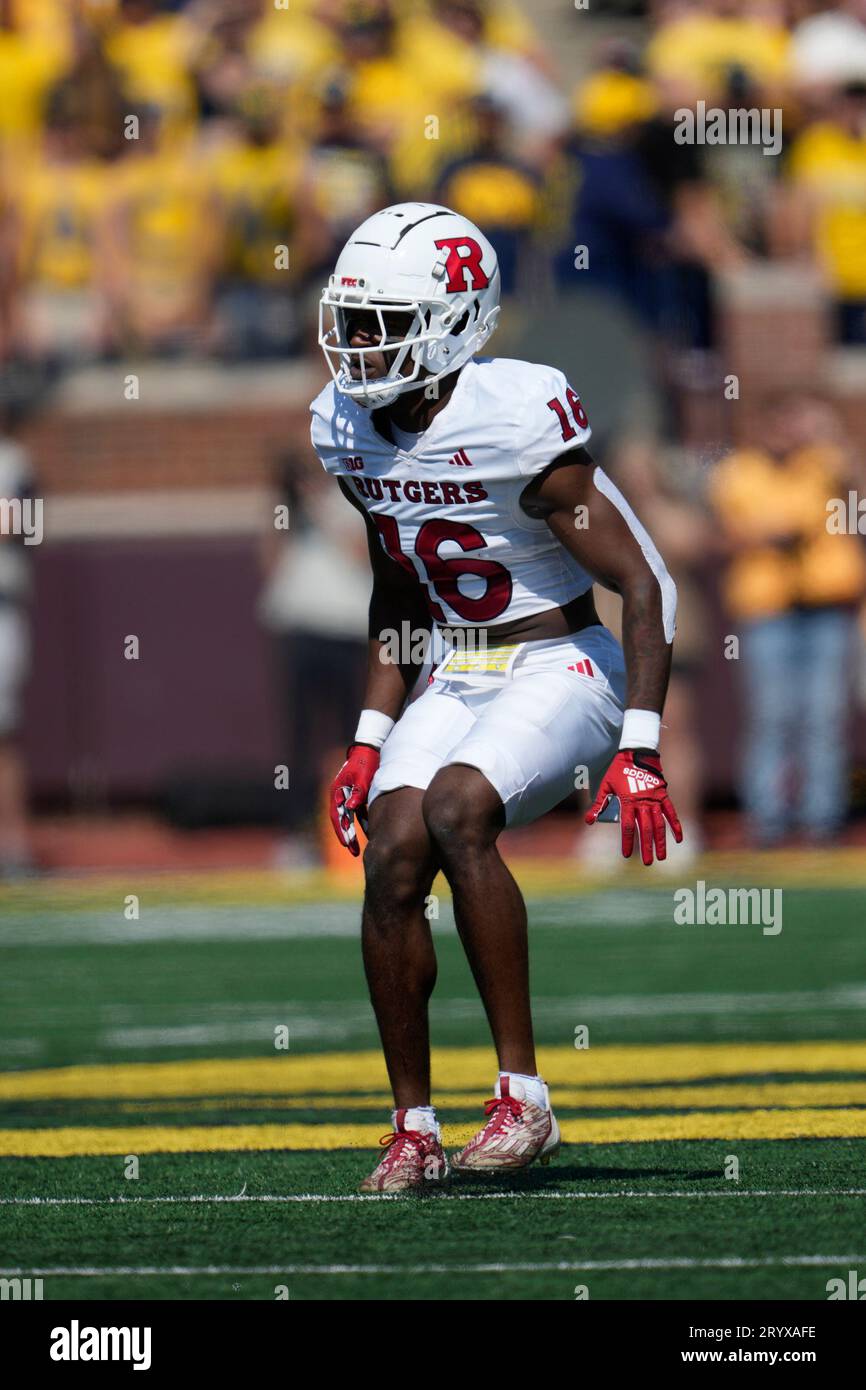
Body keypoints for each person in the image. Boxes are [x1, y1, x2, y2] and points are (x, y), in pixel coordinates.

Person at [310, 202, 681, 1193]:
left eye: (383, 321)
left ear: (454, 321)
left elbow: (644, 582)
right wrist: (365, 736)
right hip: (450, 669)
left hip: (561, 660)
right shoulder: (342, 425)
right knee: (392, 846)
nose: (357, 344)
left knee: (454, 808)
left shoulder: (515, 412)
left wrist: (638, 745)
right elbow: (398, 588)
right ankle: (412, 1126)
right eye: (350, 319)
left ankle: (523, 1098)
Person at [710, 391, 866, 846]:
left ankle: (823, 818)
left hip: (827, 609)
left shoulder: (823, 464)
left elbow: (857, 490)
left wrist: (829, 433)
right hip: (769, 611)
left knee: (825, 715)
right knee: (771, 716)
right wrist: (764, 537)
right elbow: (716, 536)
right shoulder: (738, 472)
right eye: (778, 424)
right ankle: (768, 817)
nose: (787, 434)